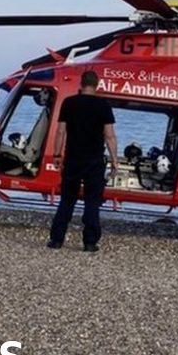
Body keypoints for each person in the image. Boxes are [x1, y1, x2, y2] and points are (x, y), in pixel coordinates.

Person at [48, 70, 118, 252]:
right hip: (94, 160)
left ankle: (56, 239)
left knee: (67, 200)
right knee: (92, 201)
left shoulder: (69, 103)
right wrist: (114, 161)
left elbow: (61, 131)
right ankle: (89, 242)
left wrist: (57, 154)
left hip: (73, 158)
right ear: (97, 84)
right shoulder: (103, 105)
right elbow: (109, 136)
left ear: (81, 83)